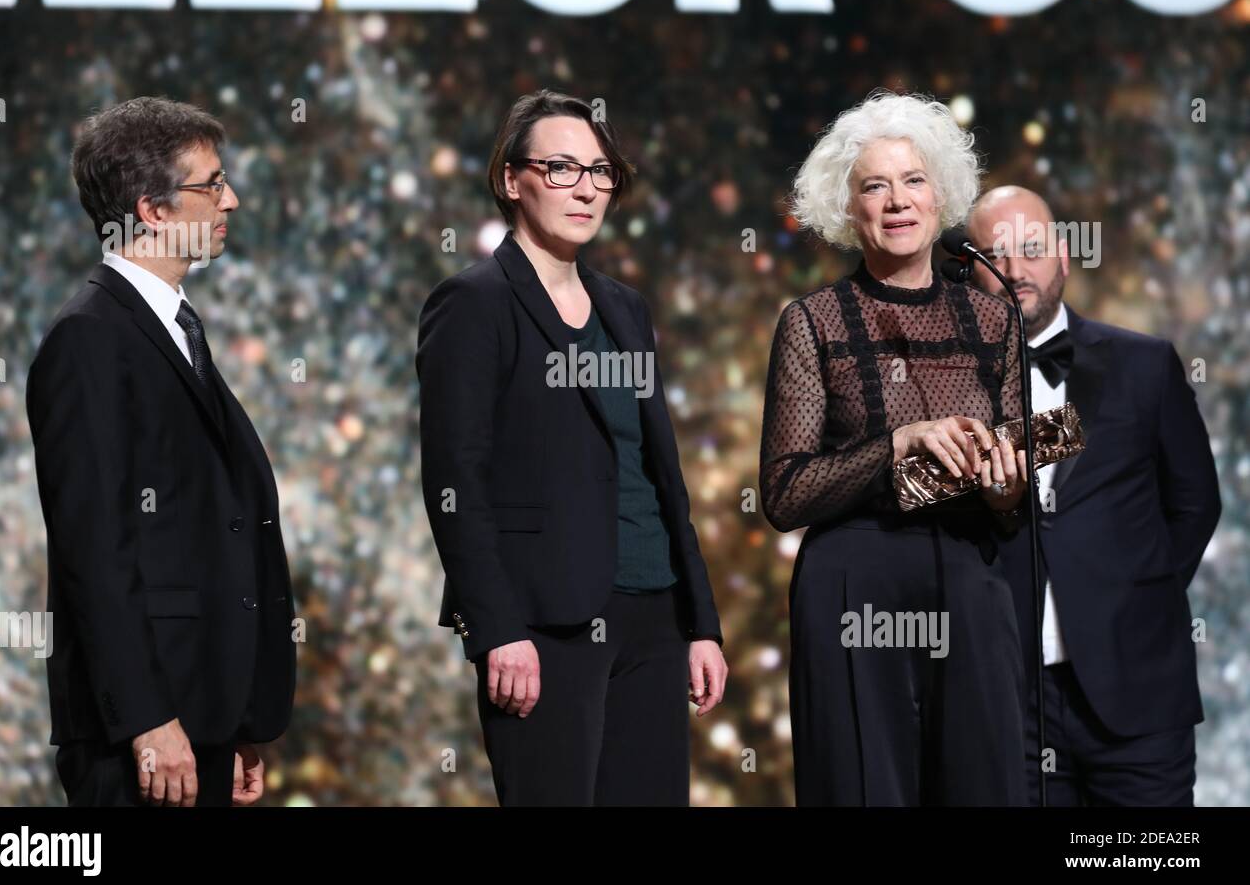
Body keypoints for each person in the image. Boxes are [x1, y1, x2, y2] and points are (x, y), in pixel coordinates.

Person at [416, 89, 727, 805]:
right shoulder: (474, 304)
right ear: (510, 180)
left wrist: (700, 622)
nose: (587, 188)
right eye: (561, 168)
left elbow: (660, 475)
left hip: (654, 610)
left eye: (601, 171)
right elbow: (453, 482)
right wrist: (494, 628)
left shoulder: (624, 306)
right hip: (542, 620)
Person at [761, 90, 1030, 805]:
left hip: (970, 582)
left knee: (984, 785)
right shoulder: (812, 323)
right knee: (861, 785)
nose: (897, 200)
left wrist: (1007, 488)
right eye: (873, 186)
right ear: (849, 211)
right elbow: (785, 494)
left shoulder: (995, 320)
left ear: (941, 197)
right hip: (852, 585)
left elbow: (1011, 506)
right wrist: (897, 443)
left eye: (913, 180)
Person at [26, 97, 296, 806]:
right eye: (211, 184)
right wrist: (148, 718)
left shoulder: (173, 327)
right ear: (153, 209)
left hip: (200, 719)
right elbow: (94, 550)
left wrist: (235, 721)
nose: (230, 198)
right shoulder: (90, 338)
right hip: (145, 737)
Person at [967, 185, 1221, 806]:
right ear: (968, 271)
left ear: (1063, 256)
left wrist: (1136, 599)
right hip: (1007, 700)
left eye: (1030, 249)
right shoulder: (950, 387)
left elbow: (1194, 505)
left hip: (1137, 694)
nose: (1016, 270)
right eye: (996, 254)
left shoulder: (1146, 364)